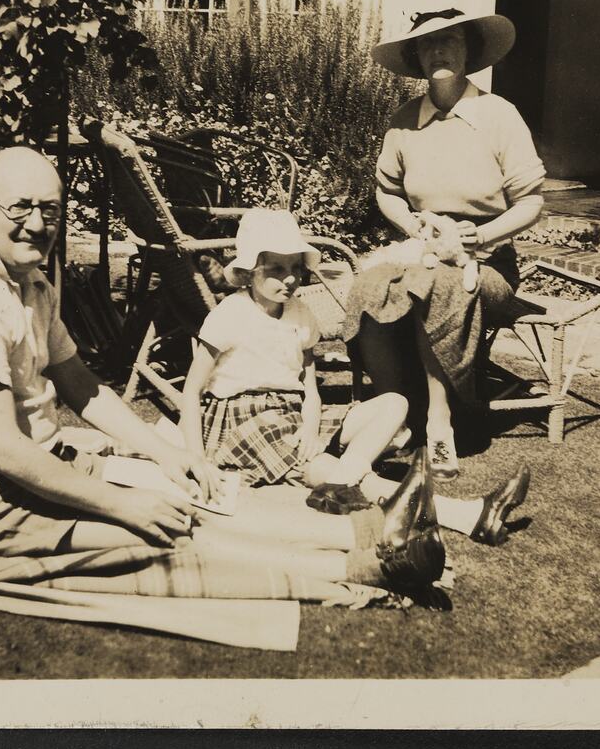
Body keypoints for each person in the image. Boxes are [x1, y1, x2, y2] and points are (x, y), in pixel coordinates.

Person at [0, 142, 450, 593]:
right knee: (157, 530)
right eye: (19, 207)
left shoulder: (30, 279)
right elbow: (2, 448)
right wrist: (121, 502)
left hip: (28, 466)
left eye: (49, 209)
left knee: (190, 495)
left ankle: (371, 533)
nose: (36, 223)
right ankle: (371, 569)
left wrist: (166, 452)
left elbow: (79, 381)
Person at [182, 209, 533, 546]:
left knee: (395, 405)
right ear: (248, 273)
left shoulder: (300, 313)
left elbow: (308, 383)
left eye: (295, 268)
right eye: (275, 269)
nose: (289, 278)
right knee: (328, 466)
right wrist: (197, 457)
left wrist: (309, 424)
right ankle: (465, 514)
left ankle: (338, 482)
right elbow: (192, 390)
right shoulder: (229, 315)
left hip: (294, 413)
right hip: (245, 418)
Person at [343, 8, 547, 481]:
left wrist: (484, 234)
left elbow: (531, 202)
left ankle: (438, 420)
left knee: (436, 285)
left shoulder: (499, 115)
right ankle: (397, 412)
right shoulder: (404, 120)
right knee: (369, 287)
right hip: (423, 249)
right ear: (415, 55)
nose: (439, 51)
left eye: (450, 41)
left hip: (488, 263)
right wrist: (413, 226)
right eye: (428, 44)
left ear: (469, 51)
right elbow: (387, 192)